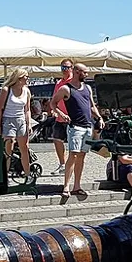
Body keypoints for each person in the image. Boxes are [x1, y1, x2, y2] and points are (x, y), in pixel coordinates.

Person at [50, 63, 103, 199]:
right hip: (75, 127)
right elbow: (53, 103)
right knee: (73, 155)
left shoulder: (88, 88)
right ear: (77, 72)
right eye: (85, 72)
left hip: (87, 126)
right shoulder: (65, 89)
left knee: (82, 156)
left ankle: (77, 186)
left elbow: (91, 106)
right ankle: (66, 186)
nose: (87, 75)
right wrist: (61, 114)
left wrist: (99, 117)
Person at [0, 67, 34, 177]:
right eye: (26, 77)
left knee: (24, 148)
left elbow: (27, 110)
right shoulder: (6, 90)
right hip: (8, 120)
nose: (28, 79)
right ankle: (5, 174)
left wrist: (29, 124)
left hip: (21, 120)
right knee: (9, 147)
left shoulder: (26, 91)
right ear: (19, 78)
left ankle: (27, 173)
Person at [49, 59, 74, 177]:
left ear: (72, 68)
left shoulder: (74, 81)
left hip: (73, 117)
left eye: (67, 67)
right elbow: (55, 99)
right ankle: (62, 164)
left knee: (73, 144)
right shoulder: (59, 83)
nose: (64, 70)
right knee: (57, 139)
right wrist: (55, 111)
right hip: (60, 116)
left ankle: (71, 166)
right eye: (62, 67)